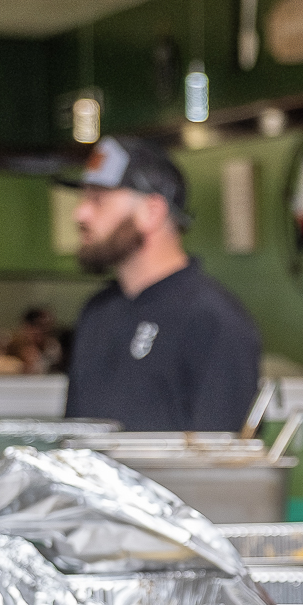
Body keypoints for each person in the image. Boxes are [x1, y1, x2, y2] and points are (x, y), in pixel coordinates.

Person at [61, 136, 260, 432]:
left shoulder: (212, 320)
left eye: (98, 200)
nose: (81, 213)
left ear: (152, 211)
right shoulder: (97, 312)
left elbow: (222, 465)